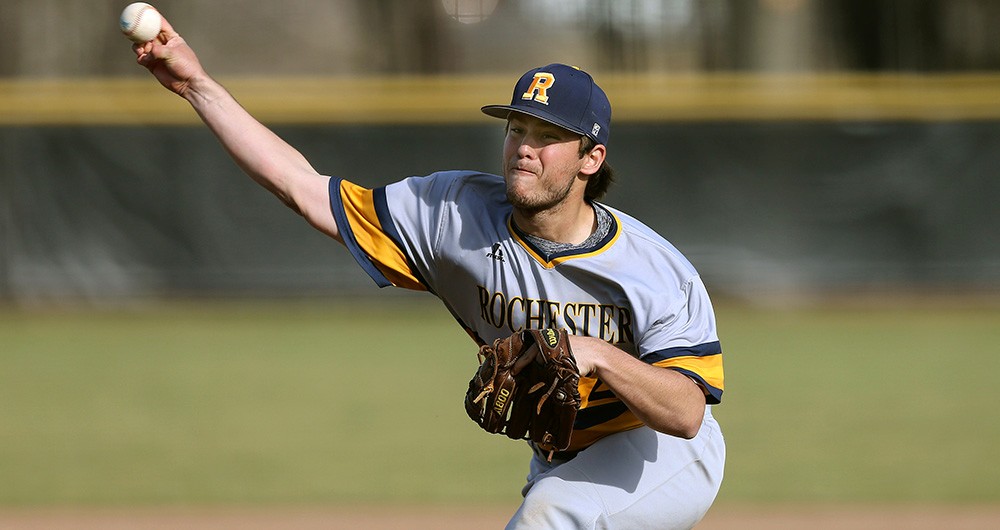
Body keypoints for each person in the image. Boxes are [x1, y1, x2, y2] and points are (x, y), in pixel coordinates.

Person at [133, 15, 725, 530]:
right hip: (559, 455)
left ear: (591, 159)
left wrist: (594, 353)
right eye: (517, 129)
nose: (524, 147)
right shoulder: (453, 215)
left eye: (548, 137)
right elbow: (304, 189)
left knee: (547, 518)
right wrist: (196, 85)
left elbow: (686, 413)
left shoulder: (654, 269)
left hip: (661, 452)